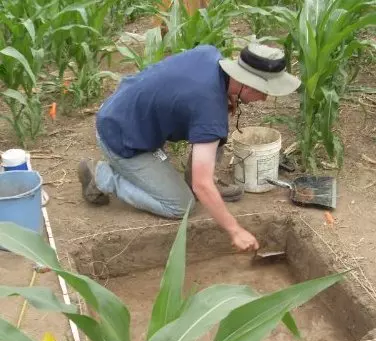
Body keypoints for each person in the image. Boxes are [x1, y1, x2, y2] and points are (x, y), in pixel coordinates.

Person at [78, 42, 301, 251]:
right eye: (264, 91)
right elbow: (202, 184)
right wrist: (235, 230)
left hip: (124, 110)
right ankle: (102, 177)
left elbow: (188, 90)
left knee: (215, 132)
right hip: (121, 138)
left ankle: (189, 183)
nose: (263, 99)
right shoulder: (209, 111)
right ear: (247, 82)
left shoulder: (210, 55)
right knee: (182, 206)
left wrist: (225, 99)